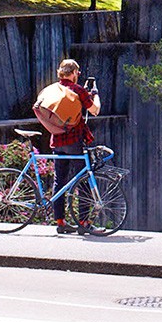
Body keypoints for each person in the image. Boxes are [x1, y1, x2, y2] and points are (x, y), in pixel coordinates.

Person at [49, 59, 102, 235]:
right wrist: (95, 94)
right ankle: (83, 222)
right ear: (73, 73)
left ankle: (60, 222)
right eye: (77, 73)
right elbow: (94, 110)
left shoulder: (56, 89)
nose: (78, 76)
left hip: (57, 141)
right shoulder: (78, 90)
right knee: (84, 180)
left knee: (60, 181)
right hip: (74, 141)